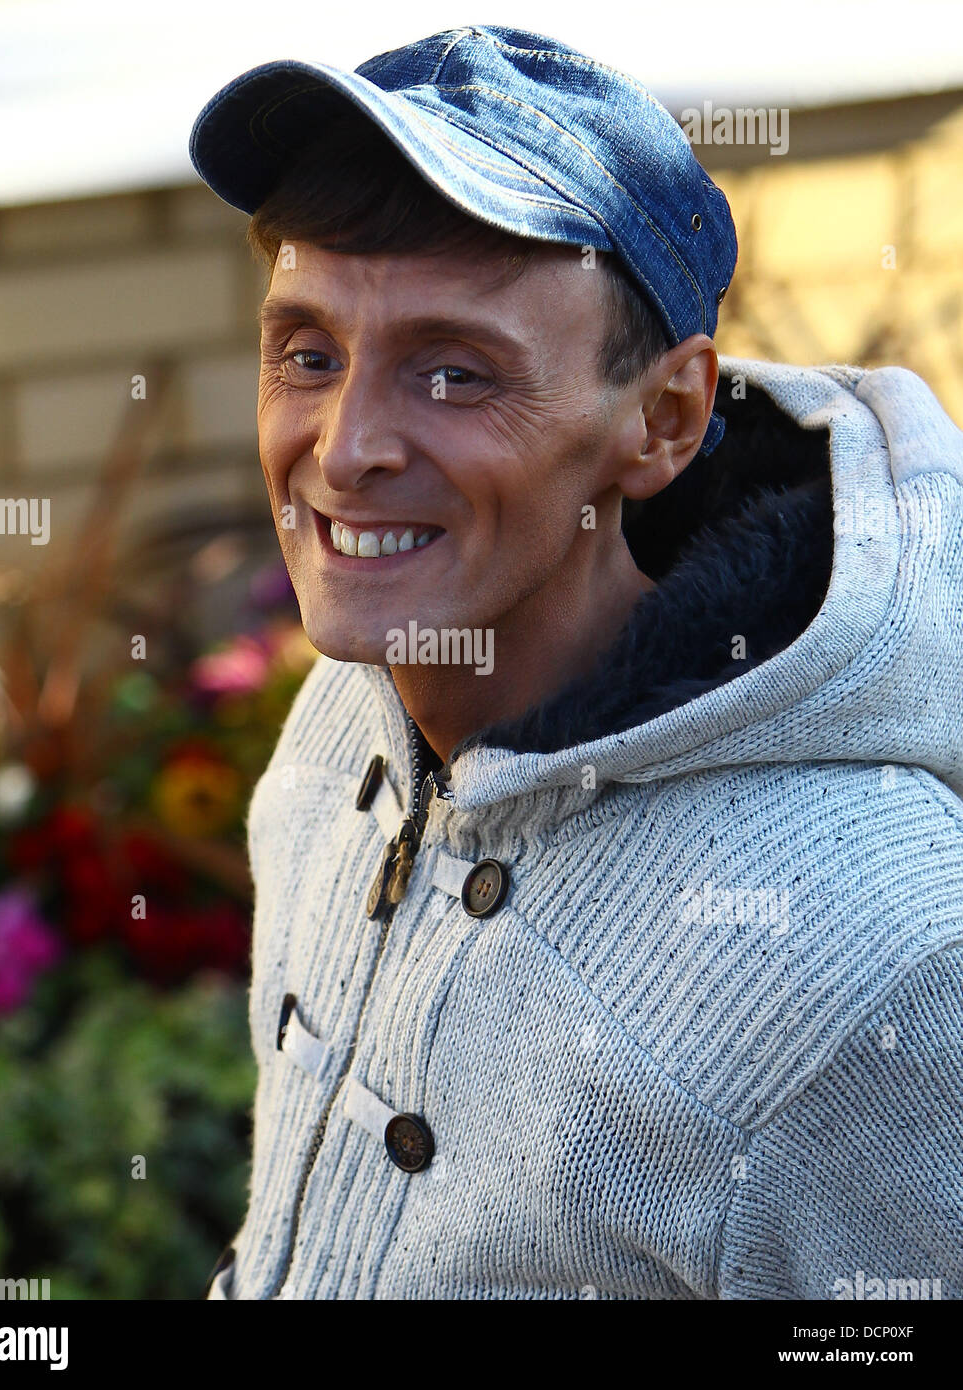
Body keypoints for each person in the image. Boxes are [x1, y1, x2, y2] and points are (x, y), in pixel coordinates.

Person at [189, 25, 963, 1300]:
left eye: (454, 372)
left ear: (660, 421)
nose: (343, 448)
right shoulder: (342, 720)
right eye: (309, 353)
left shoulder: (873, 963)